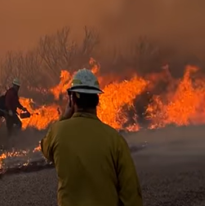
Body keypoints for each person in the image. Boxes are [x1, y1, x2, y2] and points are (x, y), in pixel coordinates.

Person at [40, 69, 143, 206]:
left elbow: (45, 149)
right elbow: (131, 192)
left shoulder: (57, 132)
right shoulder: (115, 139)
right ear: (97, 100)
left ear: (72, 100)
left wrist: (64, 117)